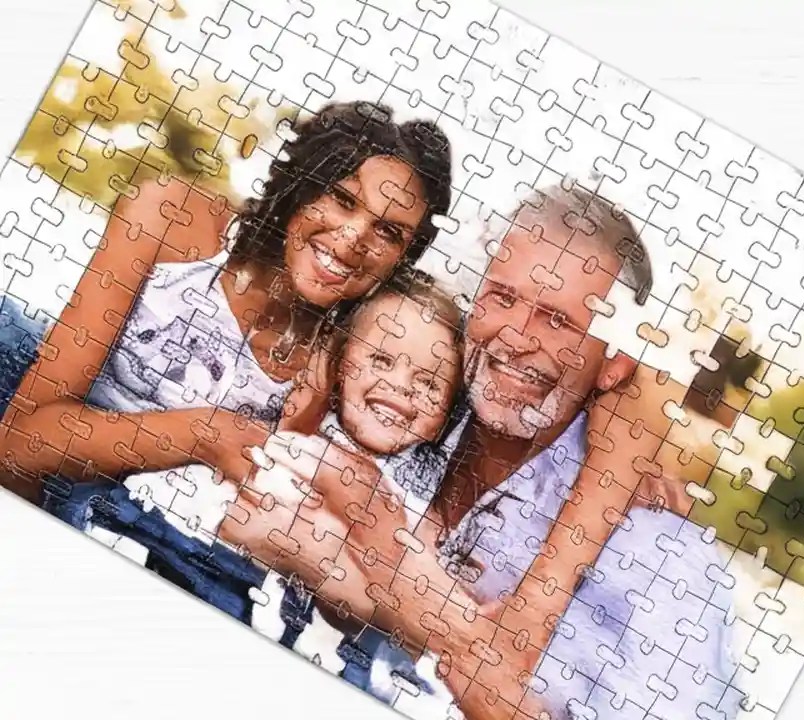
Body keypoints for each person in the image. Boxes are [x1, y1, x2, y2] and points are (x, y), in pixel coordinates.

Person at [241, 184, 744, 720]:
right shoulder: (398, 410)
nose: (514, 336)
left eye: (558, 321)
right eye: (501, 298)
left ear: (615, 362)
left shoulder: (662, 562)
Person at [0, 100, 454, 623]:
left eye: (390, 232)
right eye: (342, 198)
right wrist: (202, 433)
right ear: (300, 184)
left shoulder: (334, 355)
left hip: (135, 523)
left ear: (404, 255)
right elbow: (22, 442)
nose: (355, 240)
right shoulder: (172, 218)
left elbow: (239, 514)